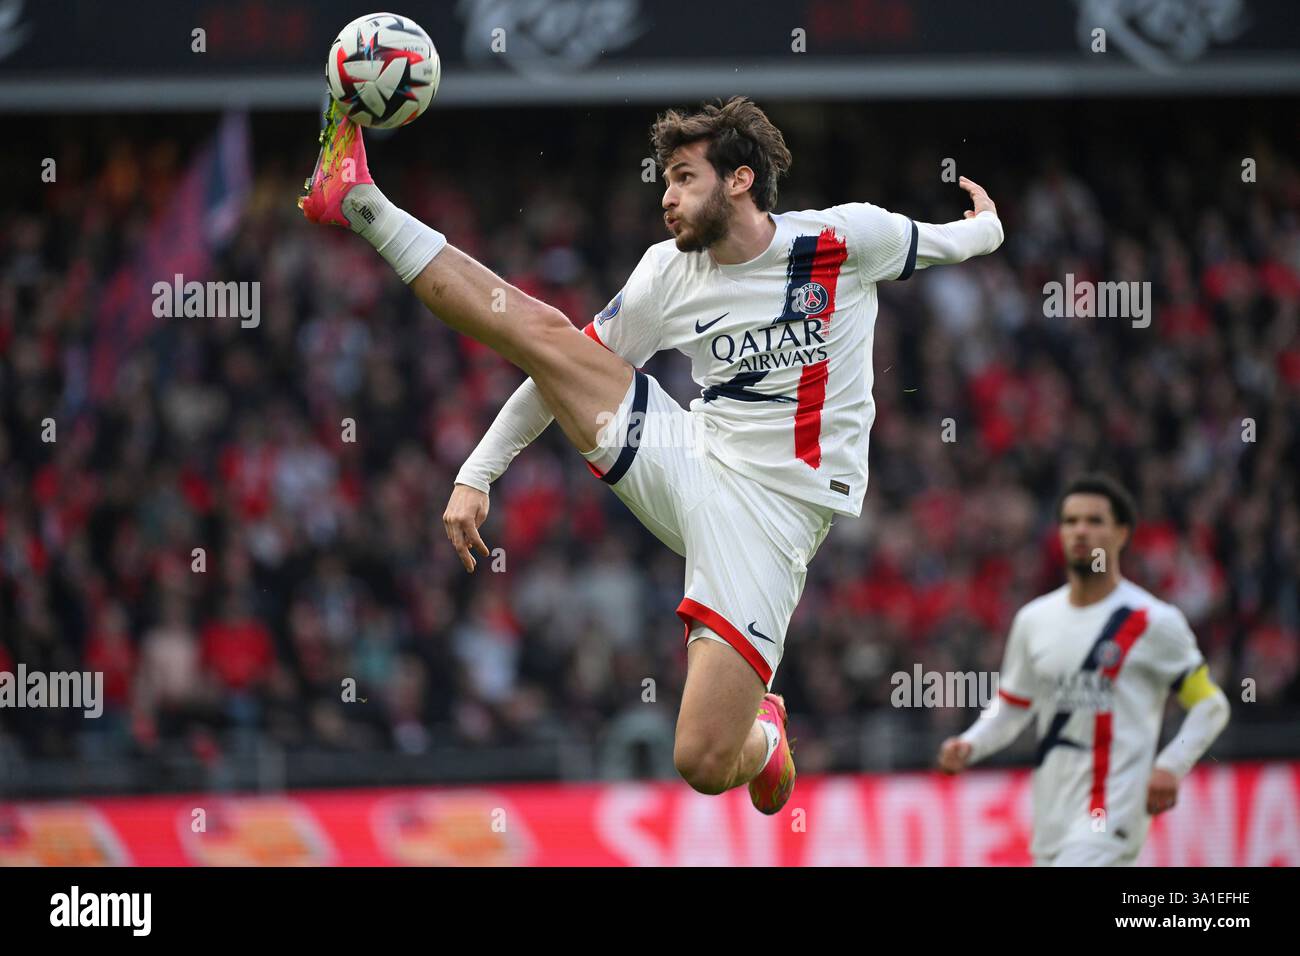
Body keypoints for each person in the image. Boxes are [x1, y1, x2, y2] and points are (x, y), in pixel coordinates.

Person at [300, 95, 1004, 814]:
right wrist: (478, 471)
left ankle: (763, 736)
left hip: (774, 519)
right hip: (691, 453)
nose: (665, 197)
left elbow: (959, 241)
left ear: (738, 180)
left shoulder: (846, 240)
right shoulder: (666, 272)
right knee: (547, 334)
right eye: (662, 180)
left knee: (702, 761)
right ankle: (360, 200)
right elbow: (557, 364)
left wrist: (989, 223)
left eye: (683, 178)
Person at [938, 475, 1231, 865]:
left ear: (1121, 533)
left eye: (1094, 521)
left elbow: (1211, 705)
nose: (1081, 531)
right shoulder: (1035, 619)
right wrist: (972, 742)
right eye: (1071, 521)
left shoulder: (1153, 622)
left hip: (1111, 814)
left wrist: (1170, 764)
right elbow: (1012, 705)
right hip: (1052, 818)